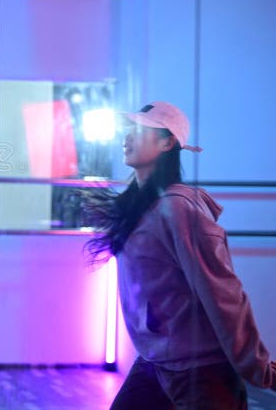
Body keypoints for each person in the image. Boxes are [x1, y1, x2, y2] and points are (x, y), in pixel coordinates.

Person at [84, 101, 275, 409]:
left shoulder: (179, 209)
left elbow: (223, 293)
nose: (127, 137)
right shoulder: (140, 205)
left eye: (139, 130)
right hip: (155, 363)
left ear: (167, 142)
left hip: (201, 371)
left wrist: (257, 365)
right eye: (127, 129)